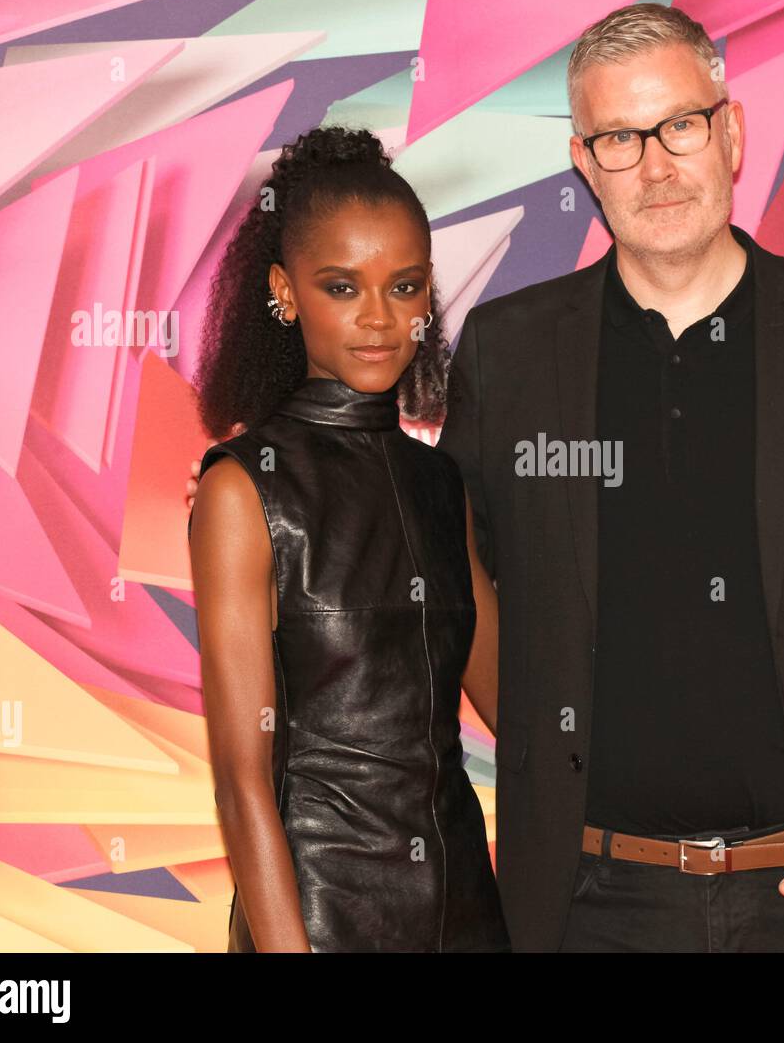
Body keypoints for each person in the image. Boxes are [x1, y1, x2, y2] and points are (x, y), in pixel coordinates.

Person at [435, 3, 784, 952]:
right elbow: (435, 564)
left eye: (679, 126)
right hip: (588, 903)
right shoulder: (510, 351)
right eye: (619, 138)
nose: (655, 166)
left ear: (730, 133)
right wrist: (274, 490)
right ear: (584, 163)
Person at [187, 125, 509, 952]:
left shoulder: (440, 484)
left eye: (404, 288)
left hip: (467, 913)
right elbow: (242, 780)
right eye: (342, 287)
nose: (378, 320)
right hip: (323, 918)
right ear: (285, 292)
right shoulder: (242, 489)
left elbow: (515, 705)